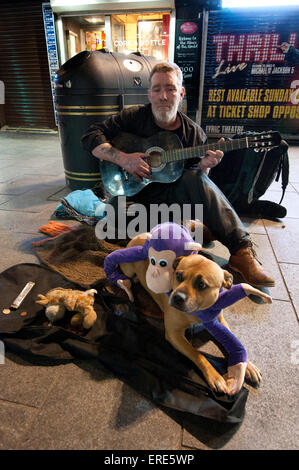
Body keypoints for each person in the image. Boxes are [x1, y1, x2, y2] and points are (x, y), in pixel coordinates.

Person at [81, 61, 275, 287]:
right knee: (116, 222)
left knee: (194, 180)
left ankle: (241, 252)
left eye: (170, 88)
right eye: (157, 89)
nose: (163, 96)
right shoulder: (133, 117)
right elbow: (90, 136)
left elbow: (198, 185)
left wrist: (205, 166)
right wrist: (123, 159)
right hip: (133, 195)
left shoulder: (193, 133)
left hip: (171, 198)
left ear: (181, 93)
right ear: (150, 94)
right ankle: (193, 229)